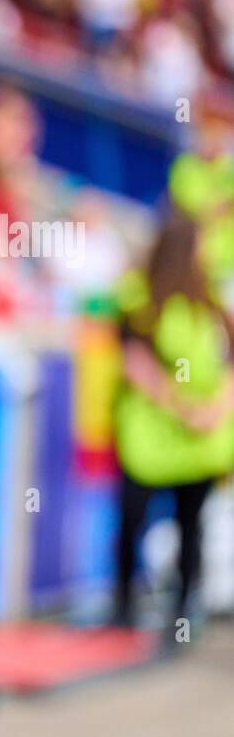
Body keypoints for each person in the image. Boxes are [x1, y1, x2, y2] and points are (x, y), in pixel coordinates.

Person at [112, 211, 234, 640]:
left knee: (191, 524)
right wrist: (181, 407)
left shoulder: (212, 304)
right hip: (151, 432)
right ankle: (123, 604)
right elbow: (135, 361)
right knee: (132, 518)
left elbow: (229, 364)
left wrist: (215, 409)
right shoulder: (142, 299)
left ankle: (185, 609)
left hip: (200, 437)